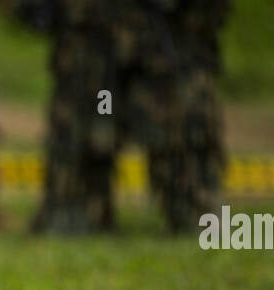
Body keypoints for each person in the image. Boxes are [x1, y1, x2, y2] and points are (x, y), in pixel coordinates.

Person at [22, 0, 230, 234]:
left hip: (169, 33)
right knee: (88, 127)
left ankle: (196, 211)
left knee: (184, 131)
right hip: (94, 32)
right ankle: (75, 211)